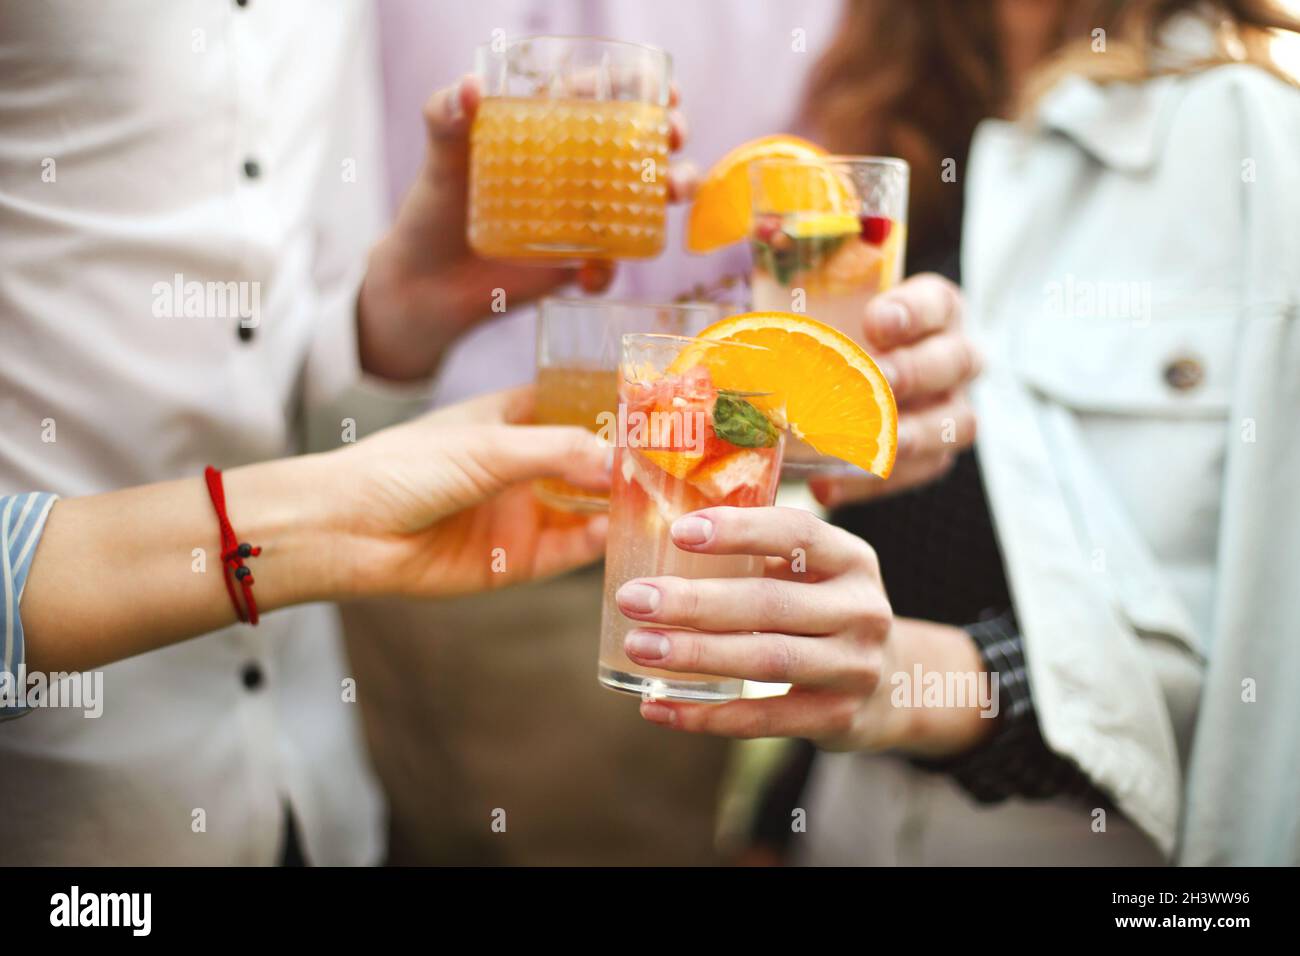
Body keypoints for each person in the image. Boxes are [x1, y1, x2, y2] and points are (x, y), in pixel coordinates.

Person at [0, 0, 693, 865]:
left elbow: (292, 366)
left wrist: (404, 305)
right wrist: (315, 525)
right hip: (59, 793)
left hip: (309, 771)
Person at [621, 0, 1300, 866]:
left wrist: (917, 682)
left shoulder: (1256, 143)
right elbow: (880, 561)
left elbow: (1260, 669)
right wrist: (780, 813)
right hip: (843, 822)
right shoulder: (886, 126)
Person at [356, 0, 982, 865]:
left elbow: (909, 223)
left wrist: (906, 383)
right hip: (385, 484)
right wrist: (390, 314)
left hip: (639, 539)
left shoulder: (882, 30)